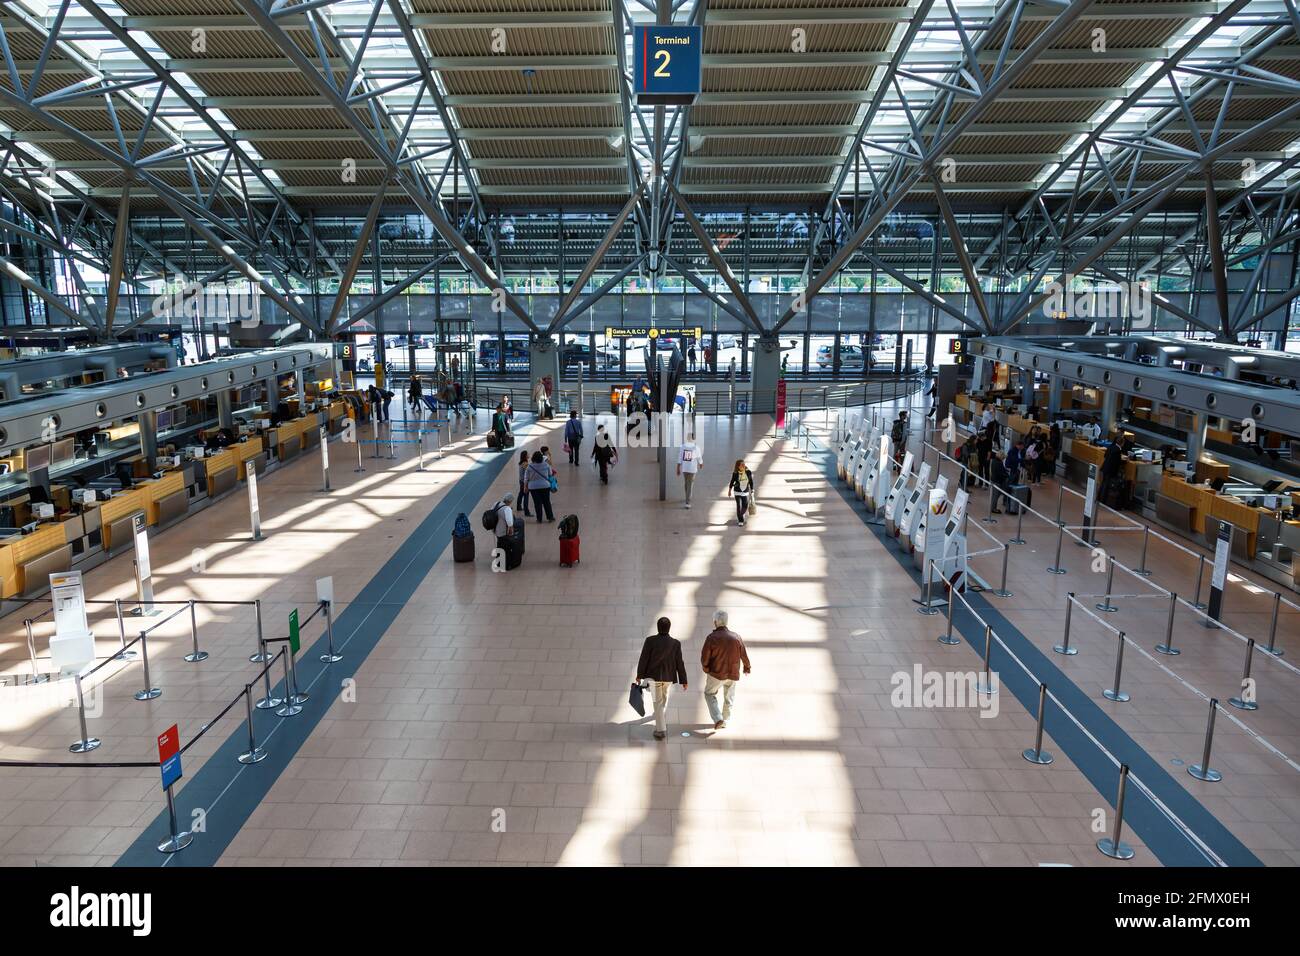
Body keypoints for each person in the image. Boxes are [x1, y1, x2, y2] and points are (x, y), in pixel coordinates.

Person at [635, 616, 688, 740]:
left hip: (654, 677)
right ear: (669, 628)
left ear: (657, 627)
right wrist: (684, 680)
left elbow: (643, 659)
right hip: (668, 677)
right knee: (663, 697)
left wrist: (639, 675)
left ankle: (660, 730)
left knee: (657, 702)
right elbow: (680, 663)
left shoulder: (650, 641)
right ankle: (660, 719)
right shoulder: (675, 643)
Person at [700, 610, 751, 730]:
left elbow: (704, 657)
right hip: (732, 673)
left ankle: (718, 718)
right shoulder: (736, 637)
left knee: (709, 694)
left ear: (715, 622)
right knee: (729, 697)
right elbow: (743, 654)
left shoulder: (711, 638)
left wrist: (706, 668)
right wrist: (746, 667)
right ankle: (726, 719)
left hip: (716, 673)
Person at [525, 450, 555, 522]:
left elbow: (526, 478)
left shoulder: (529, 466)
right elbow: (550, 474)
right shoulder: (546, 465)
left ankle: (539, 519)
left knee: (537, 503)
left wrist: (525, 487)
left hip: (533, 487)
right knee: (546, 502)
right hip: (545, 486)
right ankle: (550, 517)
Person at [491, 493, 517, 568]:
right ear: (510, 501)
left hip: (495, 529)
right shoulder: (507, 509)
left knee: (499, 545)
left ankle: (499, 563)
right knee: (506, 548)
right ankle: (506, 565)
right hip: (502, 531)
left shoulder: (497, 504)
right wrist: (511, 530)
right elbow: (510, 522)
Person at [728, 459, 756, 526]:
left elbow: (751, 482)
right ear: (738, 466)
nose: (743, 465)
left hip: (745, 491)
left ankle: (740, 514)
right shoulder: (735, 473)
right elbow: (732, 482)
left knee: (745, 506)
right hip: (737, 491)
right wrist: (729, 490)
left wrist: (752, 489)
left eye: (744, 464)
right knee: (739, 505)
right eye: (742, 464)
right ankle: (741, 520)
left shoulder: (748, 472)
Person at [677, 437, 702, 509]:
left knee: (686, 483)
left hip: (685, 468)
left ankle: (687, 497)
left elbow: (680, 457)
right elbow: (699, 457)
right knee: (690, 484)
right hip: (692, 469)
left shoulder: (682, 447)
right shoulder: (696, 447)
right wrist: (701, 463)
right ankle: (687, 502)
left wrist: (678, 468)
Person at [989, 449, 1011, 514]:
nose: (1003, 459)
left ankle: (993, 507)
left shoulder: (993, 461)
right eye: (1003, 458)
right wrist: (1006, 475)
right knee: (996, 495)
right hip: (997, 481)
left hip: (993, 480)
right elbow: (1000, 473)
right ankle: (993, 508)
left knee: (994, 495)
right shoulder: (999, 463)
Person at [516, 450, 533, 517]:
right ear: (525, 456)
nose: (529, 454)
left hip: (521, 481)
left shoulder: (521, 463)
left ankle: (518, 506)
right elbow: (528, 472)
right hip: (524, 482)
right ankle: (527, 512)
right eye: (528, 454)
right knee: (526, 496)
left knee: (521, 494)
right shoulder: (525, 463)